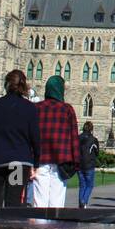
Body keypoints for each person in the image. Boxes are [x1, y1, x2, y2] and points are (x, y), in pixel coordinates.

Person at [0, 70, 40, 207]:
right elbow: (35, 138)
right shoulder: (30, 108)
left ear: (6, 85)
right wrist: (36, 163)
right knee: (13, 202)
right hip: (17, 163)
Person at [32, 75, 81, 208]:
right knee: (57, 202)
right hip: (61, 160)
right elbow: (74, 137)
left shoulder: (36, 108)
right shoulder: (67, 109)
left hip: (40, 159)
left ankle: (38, 227)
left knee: (39, 200)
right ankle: (54, 227)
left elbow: (30, 136)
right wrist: (76, 161)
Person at [78, 121, 100, 208]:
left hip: (79, 164)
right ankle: (84, 201)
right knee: (89, 185)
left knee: (82, 185)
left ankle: (81, 202)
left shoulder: (78, 138)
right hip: (89, 164)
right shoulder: (93, 139)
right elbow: (97, 152)